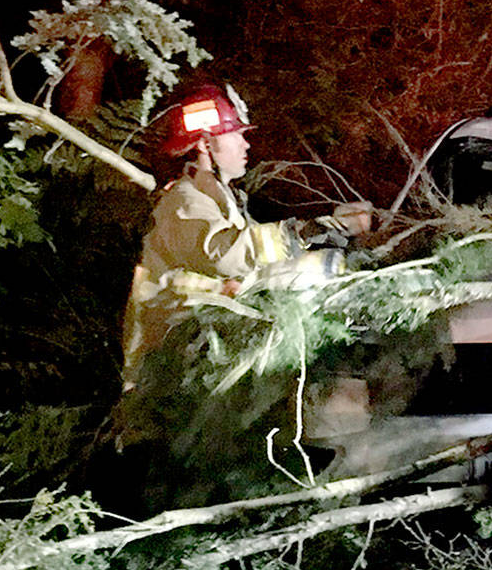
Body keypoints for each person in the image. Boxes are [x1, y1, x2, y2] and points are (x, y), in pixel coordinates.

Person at [121, 82, 370, 387]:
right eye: (235, 135)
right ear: (204, 145)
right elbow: (227, 256)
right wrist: (307, 232)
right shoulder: (183, 203)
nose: (245, 144)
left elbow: (256, 272)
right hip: (164, 378)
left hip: (199, 365)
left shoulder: (220, 201)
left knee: (323, 268)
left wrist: (330, 245)